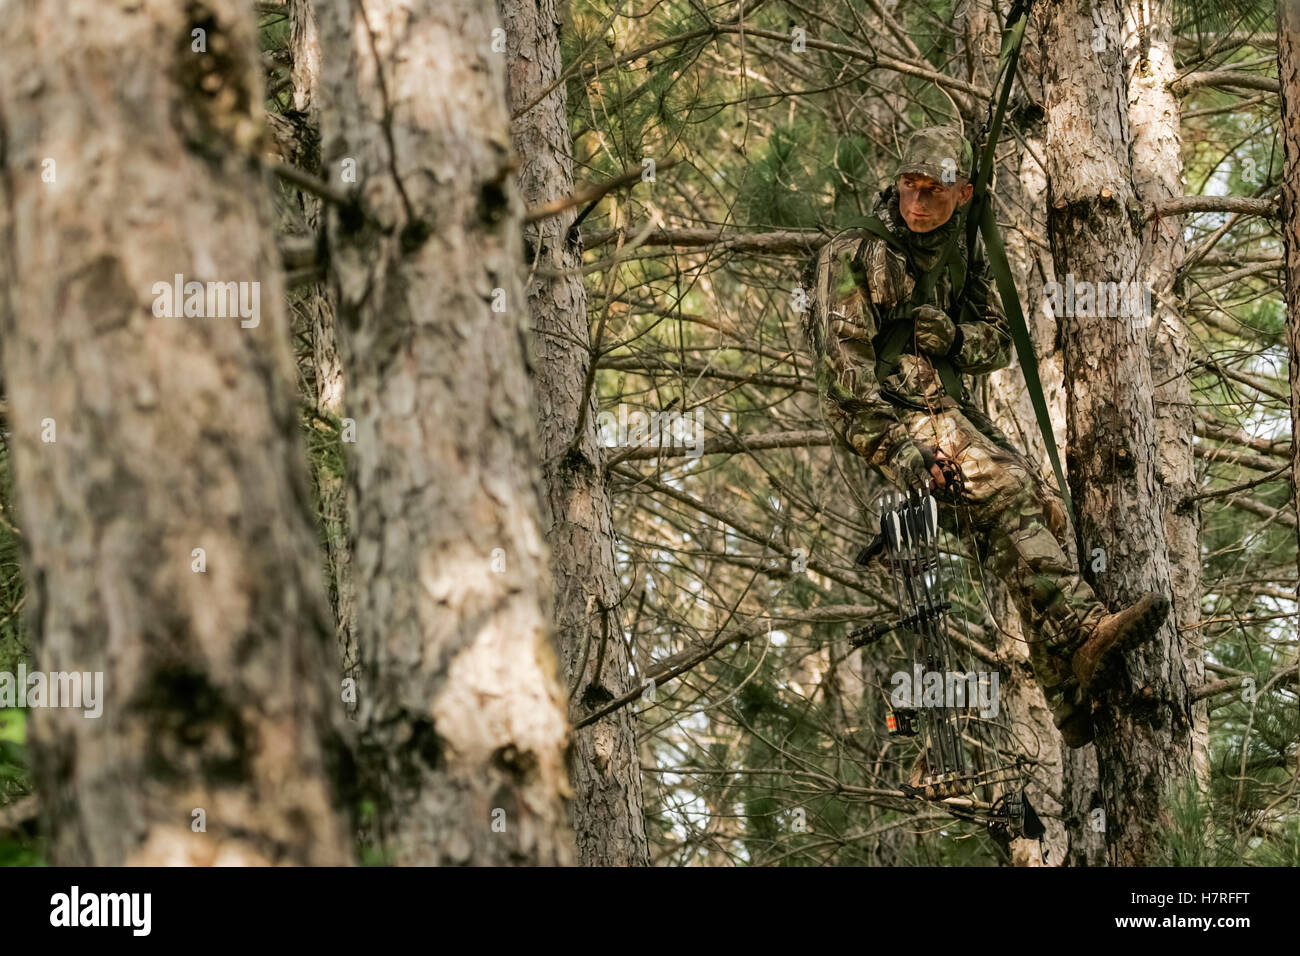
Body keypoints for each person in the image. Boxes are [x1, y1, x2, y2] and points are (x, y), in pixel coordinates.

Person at [802, 126, 1169, 748]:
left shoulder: (964, 248)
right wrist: (900, 453)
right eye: (909, 189)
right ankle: (1082, 633)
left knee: (1041, 511)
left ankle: (1069, 696)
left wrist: (956, 337)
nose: (918, 204)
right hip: (896, 419)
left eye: (934, 193)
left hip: (950, 408)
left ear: (963, 193)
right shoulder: (854, 255)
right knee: (1003, 488)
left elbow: (998, 340)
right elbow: (842, 383)